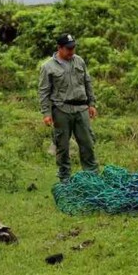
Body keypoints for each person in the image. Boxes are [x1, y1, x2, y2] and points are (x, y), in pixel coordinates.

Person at [38, 34, 98, 183]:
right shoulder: (48, 66)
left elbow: (87, 82)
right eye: (68, 48)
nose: (71, 51)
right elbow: (44, 91)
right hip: (61, 109)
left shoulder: (79, 61)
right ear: (59, 48)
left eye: (73, 47)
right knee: (62, 147)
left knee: (87, 144)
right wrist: (46, 113)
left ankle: (92, 178)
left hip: (81, 108)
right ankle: (65, 179)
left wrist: (92, 104)